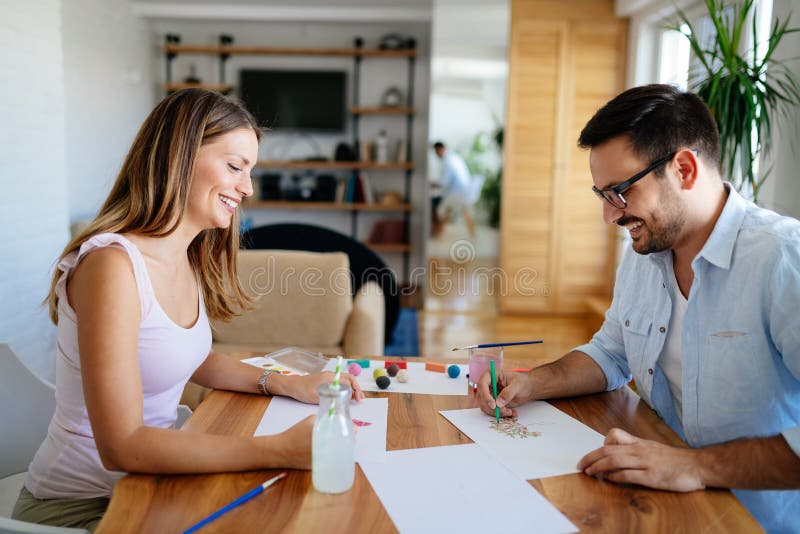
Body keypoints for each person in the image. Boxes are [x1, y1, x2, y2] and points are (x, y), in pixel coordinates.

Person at [12, 88, 363, 532]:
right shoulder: (111, 266)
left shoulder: (184, 256)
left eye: (250, 171)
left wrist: (287, 384)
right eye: (235, 166)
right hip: (83, 508)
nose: (247, 187)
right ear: (178, 158)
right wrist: (279, 450)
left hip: (148, 485)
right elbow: (122, 446)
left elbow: (188, 356)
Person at [477, 84, 800, 533]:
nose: (610, 216)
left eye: (620, 191)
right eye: (603, 195)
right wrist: (535, 382)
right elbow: (611, 353)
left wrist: (696, 466)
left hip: (753, 521)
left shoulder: (783, 260)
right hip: (658, 502)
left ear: (684, 169)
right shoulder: (644, 256)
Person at [431, 141, 476, 239]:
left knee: (434, 203)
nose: (436, 155)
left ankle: (436, 232)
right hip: (466, 193)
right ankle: (438, 232)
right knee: (441, 203)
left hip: (456, 194)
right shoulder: (455, 157)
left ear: (440, 149)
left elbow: (444, 183)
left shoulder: (448, 161)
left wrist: (431, 183)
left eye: (436, 152)